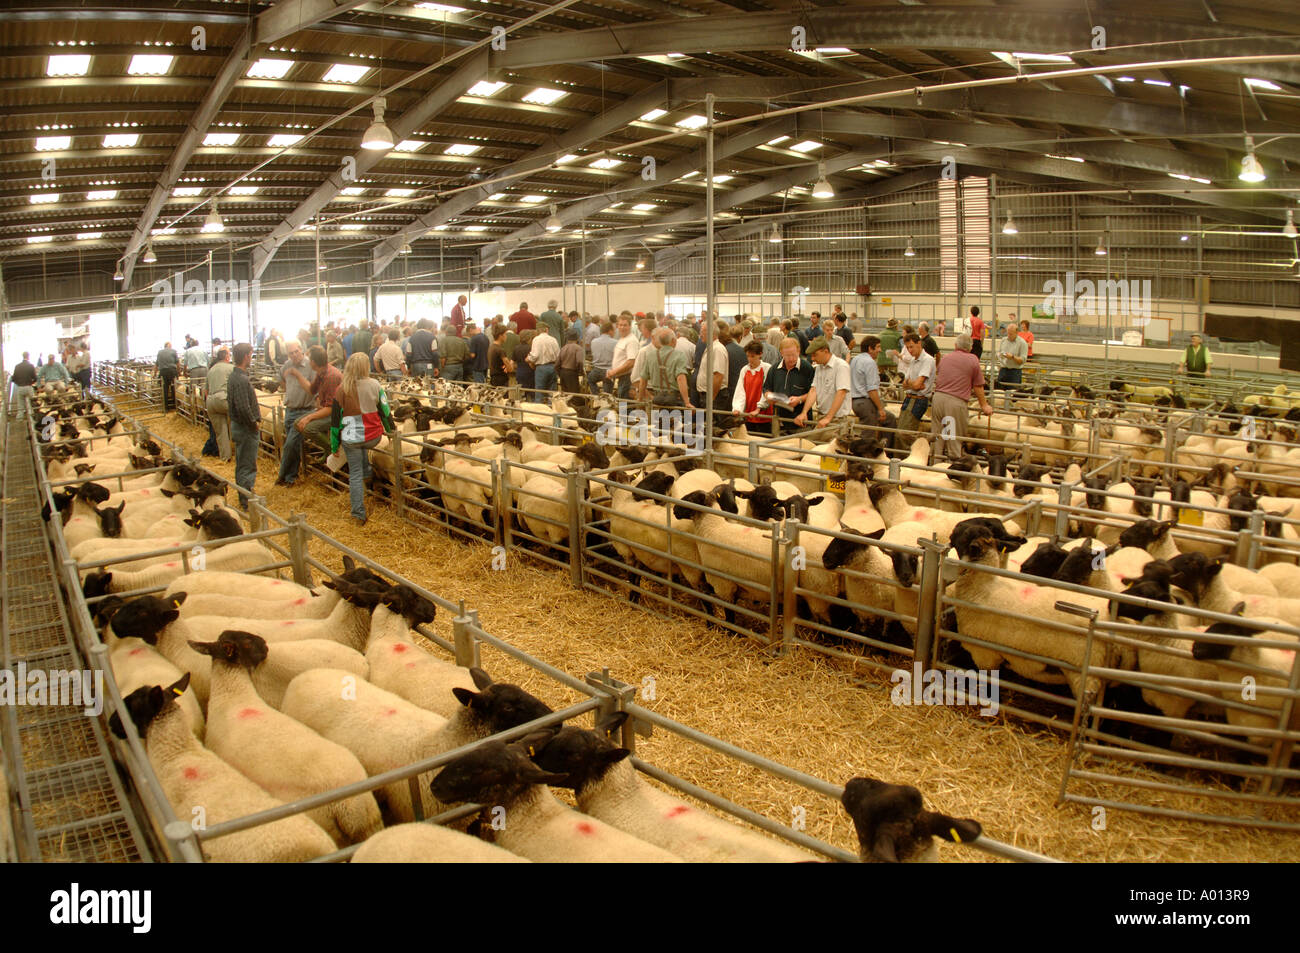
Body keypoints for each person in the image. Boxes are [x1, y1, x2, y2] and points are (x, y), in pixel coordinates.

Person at [330, 352, 395, 526]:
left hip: (351, 438)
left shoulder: (341, 389)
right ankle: (369, 478)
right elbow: (385, 411)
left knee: (355, 474)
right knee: (364, 454)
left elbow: (335, 421)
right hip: (373, 436)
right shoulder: (375, 385)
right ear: (366, 367)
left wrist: (334, 446)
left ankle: (358, 514)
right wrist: (392, 432)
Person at [930, 334, 992, 462]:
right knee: (953, 438)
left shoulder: (946, 358)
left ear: (955, 345)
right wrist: (984, 405)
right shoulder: (973, 360)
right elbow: (978, 386)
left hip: (938, 399)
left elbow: (939, 375)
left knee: (937, 437)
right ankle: (953, 471)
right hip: (955, 403)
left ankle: (935, 467)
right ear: (970, 348)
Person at [273, 340, 316, 486]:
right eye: (291, 353)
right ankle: (292, 477)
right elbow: (281, 379)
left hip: (305, 411)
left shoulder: (311, 366)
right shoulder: (286, 365)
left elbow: (313, 389)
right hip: (290, 409)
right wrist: (289, 390)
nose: (294, 355)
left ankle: (282, 476)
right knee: (293, 445)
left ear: (301, 349)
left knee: (290, 444)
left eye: (296, 351)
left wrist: (297, 375)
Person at [226, 343, 261, 510]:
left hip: (240, 426)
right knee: (247, 463)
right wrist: (253, 423)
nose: (251, 358)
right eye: (251, 355)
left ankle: (245, 494)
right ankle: (247, 500)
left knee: (243, 462)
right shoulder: (240, 379)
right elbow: (242, 406)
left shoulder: (235, 376)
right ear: (246, 356)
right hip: (245, 427)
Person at [295, 345, 344, 453]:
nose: (307, 362)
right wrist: (298, 376)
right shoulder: (321, 372)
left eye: (309, 359)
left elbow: (331, 408)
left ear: (313, 362)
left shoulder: (332, 376)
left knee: (309, 428)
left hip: (337, 413)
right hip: (325, 409)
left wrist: (309, 418)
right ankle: (327, 450)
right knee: (297, 423)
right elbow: (312, 390)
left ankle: (333, 450)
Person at [763, 337, 815, 433]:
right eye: (787, 355)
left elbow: (814, 392)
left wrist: (799, 399)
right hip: (779, 422)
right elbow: (766, 388)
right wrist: (768, 396)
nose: (791, 359)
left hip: (801, 422)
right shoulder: (774, 369)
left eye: (793, 355)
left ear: (799, 351)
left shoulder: (807, 368)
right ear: (781, 353)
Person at [804, 337, 853, 429]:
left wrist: (828, 418)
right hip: (822, 417)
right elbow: (813, 390)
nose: (813, 358)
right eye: (812, 355)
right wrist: (804, 412)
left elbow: (841, 392)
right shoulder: (819, 367)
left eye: (815, 355)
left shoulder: (841, 366)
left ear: (825, 351)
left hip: (836, 420)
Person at [640, 327, 692, 407]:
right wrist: (687, 402)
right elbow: (681, 378)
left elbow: (643, 380)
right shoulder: (679, 355)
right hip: (674, 399)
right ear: (673, 340)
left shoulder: (650, 355)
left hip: (656, 398)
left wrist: (640, 398)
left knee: (656, 419)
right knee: (673, 419)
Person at [897, 334, 935, 433]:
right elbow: (905, 384)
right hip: (909, 398)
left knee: (906, 432)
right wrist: (912, 384)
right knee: (901, 429)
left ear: (919, 343)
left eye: (911, 346)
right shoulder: (913, 360)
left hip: (918, 400)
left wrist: (912, 384)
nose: (910, 350)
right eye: (907, 347)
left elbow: (917, 385)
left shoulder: (927, 360)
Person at [731, 341, 772, 425]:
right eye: (748, 356)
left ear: (760, 354)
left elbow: (767, 391)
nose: (750, 359)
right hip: (749, 414)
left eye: (753, 356)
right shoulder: (744, 370)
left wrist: (759, 408)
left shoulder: (767, 368)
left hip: (764, 415)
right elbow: (740, 390)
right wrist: (737, 408)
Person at [205, 348, 234, 462]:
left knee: (221, 432)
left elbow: (206, 391)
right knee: (236, 424)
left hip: (211, 401)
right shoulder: (230, 368)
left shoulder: (211, 370)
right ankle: (239, 452)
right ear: (227, 357)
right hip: (223, 398)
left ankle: (225, 457)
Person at [850, 335, 884, 430]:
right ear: (870, 348)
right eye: (878, 347)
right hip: (865, 403)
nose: (880, 350)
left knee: (890, 419)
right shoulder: (870, 362)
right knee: (869, 433)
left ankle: (881, 444)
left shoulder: (855, 359)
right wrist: (880, 408)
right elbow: (872, 390)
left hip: (854, 402)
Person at [695, 323, 730, 410]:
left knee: (713, 423)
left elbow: (718, 375)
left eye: (702, 331)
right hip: (708, 395)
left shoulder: (717, 349)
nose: (700, 334)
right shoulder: (711, 347)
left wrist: (711, 399)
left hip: (715, 397)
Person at [607, 315, 639, 399]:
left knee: (624, 404)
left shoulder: (631, 340)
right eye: (620, 325)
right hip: (621, 377)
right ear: (617, 326)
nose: (622, 327)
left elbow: (631, 362)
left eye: (625, 325)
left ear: (630, 326)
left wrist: (614, 372)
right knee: (621, 402)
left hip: (627, 378)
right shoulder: (622, 339)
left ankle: (626, 412)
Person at [526, 321, 560, 401]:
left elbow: (535, 355)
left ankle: (540, 411)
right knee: (552, 394)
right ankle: (551, 410)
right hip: (553, 367)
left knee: (539, 392)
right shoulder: (553, 339)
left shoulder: (536, 339)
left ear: (537, 330)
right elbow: (558, 355)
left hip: (541, 368)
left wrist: (528, 359)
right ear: (547, 330)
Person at [995, 322, 1028, 390]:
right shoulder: (1004, 340)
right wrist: (999, 355)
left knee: (1012, 395)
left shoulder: (1022, 343)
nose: (1009, 335)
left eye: (1011, 334)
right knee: (999, 392)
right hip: (1003, 370)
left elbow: (1022, 360)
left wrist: (1012, 357)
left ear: (1016, 332)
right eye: (1008, 333)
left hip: (1015, 372)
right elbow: (999, 352)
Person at [588, 321, 616, 394]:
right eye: (614, 331)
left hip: (596, 369)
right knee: (610, 394)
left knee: (590, 379)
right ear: (610, 331)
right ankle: (608, 403)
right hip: (609, 371)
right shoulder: (616, 342)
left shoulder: (593, 341)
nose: (614, 333)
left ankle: (597, 397)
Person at [513, 330, 536, 398]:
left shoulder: (516, 348)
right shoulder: (531, 348)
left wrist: (517, 367)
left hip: (519, 373)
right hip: (530, 373)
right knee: (532, 394)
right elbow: (532, 362)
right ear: (529, 338)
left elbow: (512, 362)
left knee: (521, 394)